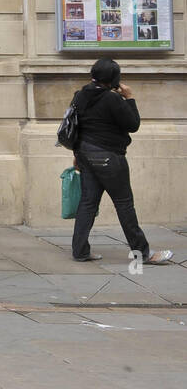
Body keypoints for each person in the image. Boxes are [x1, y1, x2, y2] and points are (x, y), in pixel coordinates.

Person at [69, 58, 173, 265]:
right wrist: (130, 98)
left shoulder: (80, 95)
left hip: (85, 154)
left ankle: (80, 251)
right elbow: (133, 124)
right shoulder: (112, 99)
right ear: (114, 78)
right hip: (109, 157)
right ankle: (143, 253)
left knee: (88, 203)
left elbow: (76, 127)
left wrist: (76, 154)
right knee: (124, 204)